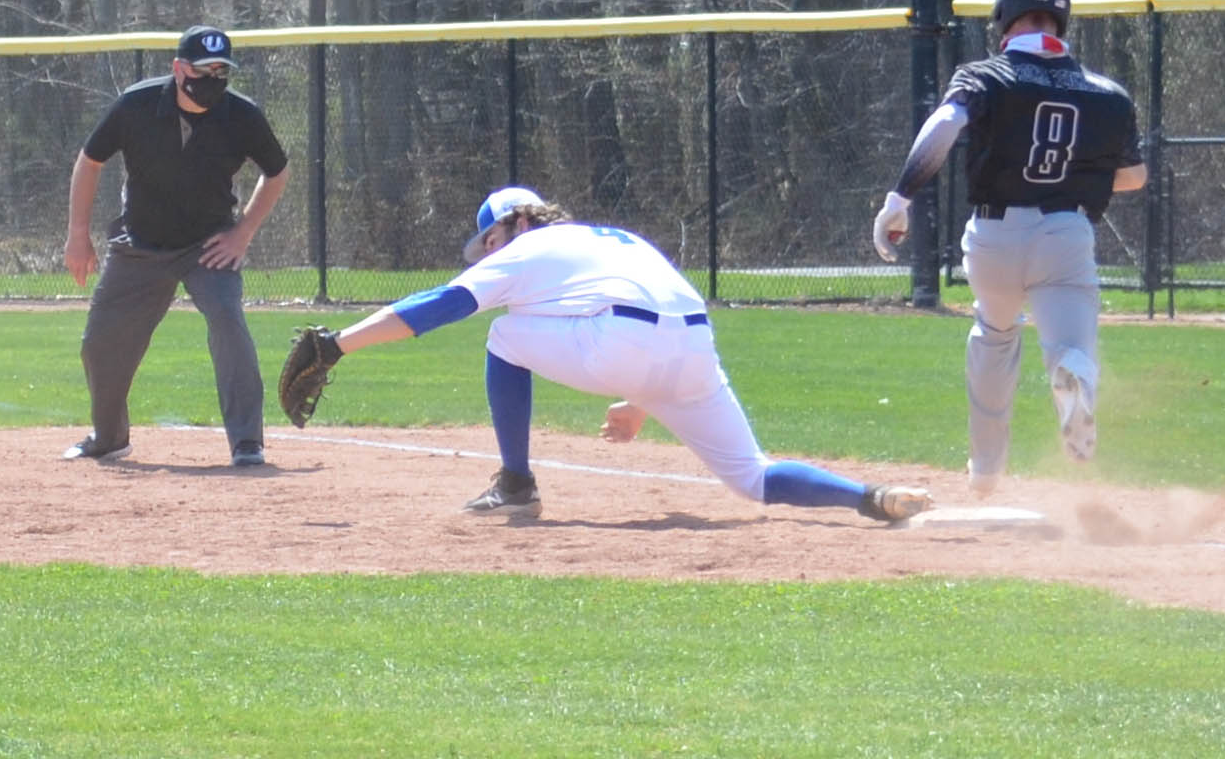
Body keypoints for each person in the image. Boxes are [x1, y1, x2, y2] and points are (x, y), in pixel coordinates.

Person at [308, 186, 934, 521]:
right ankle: (870, 497)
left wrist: (338, 345)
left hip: (626, 339)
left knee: (502, 334)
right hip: (694, 343)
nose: (490, 252)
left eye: (491, 238)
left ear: (517, 224)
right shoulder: (615, 239)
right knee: (753, 476)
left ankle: (516, 485)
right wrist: (643, 398)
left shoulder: (529, 248)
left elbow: (437, 307)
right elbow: (659, 312)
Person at [871, 0, 1147, 497]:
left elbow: (945, 125)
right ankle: (1072, 375)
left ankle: (986, 471)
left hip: (993, 238)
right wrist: (1072, 177)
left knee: (995, 335)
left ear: (1005, 15)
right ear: (1061, 20)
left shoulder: (985, 75)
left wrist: (899, 197)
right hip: (1066, 234)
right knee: (1070, 349)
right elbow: (1134, 177)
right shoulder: (1108, 94)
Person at [62, 25, 291, 466]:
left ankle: (247, 443)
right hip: (141, 246)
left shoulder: (241, 115)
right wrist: (78, 234)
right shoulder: (138, 104)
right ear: (179, 69)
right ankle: (109, 438)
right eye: (204, 70)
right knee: (99, 342)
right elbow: (89, 161)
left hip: (208, 245)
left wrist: (242, 232)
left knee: (228, 320)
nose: (213, 80)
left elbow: (277, 172)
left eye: (222, 70)